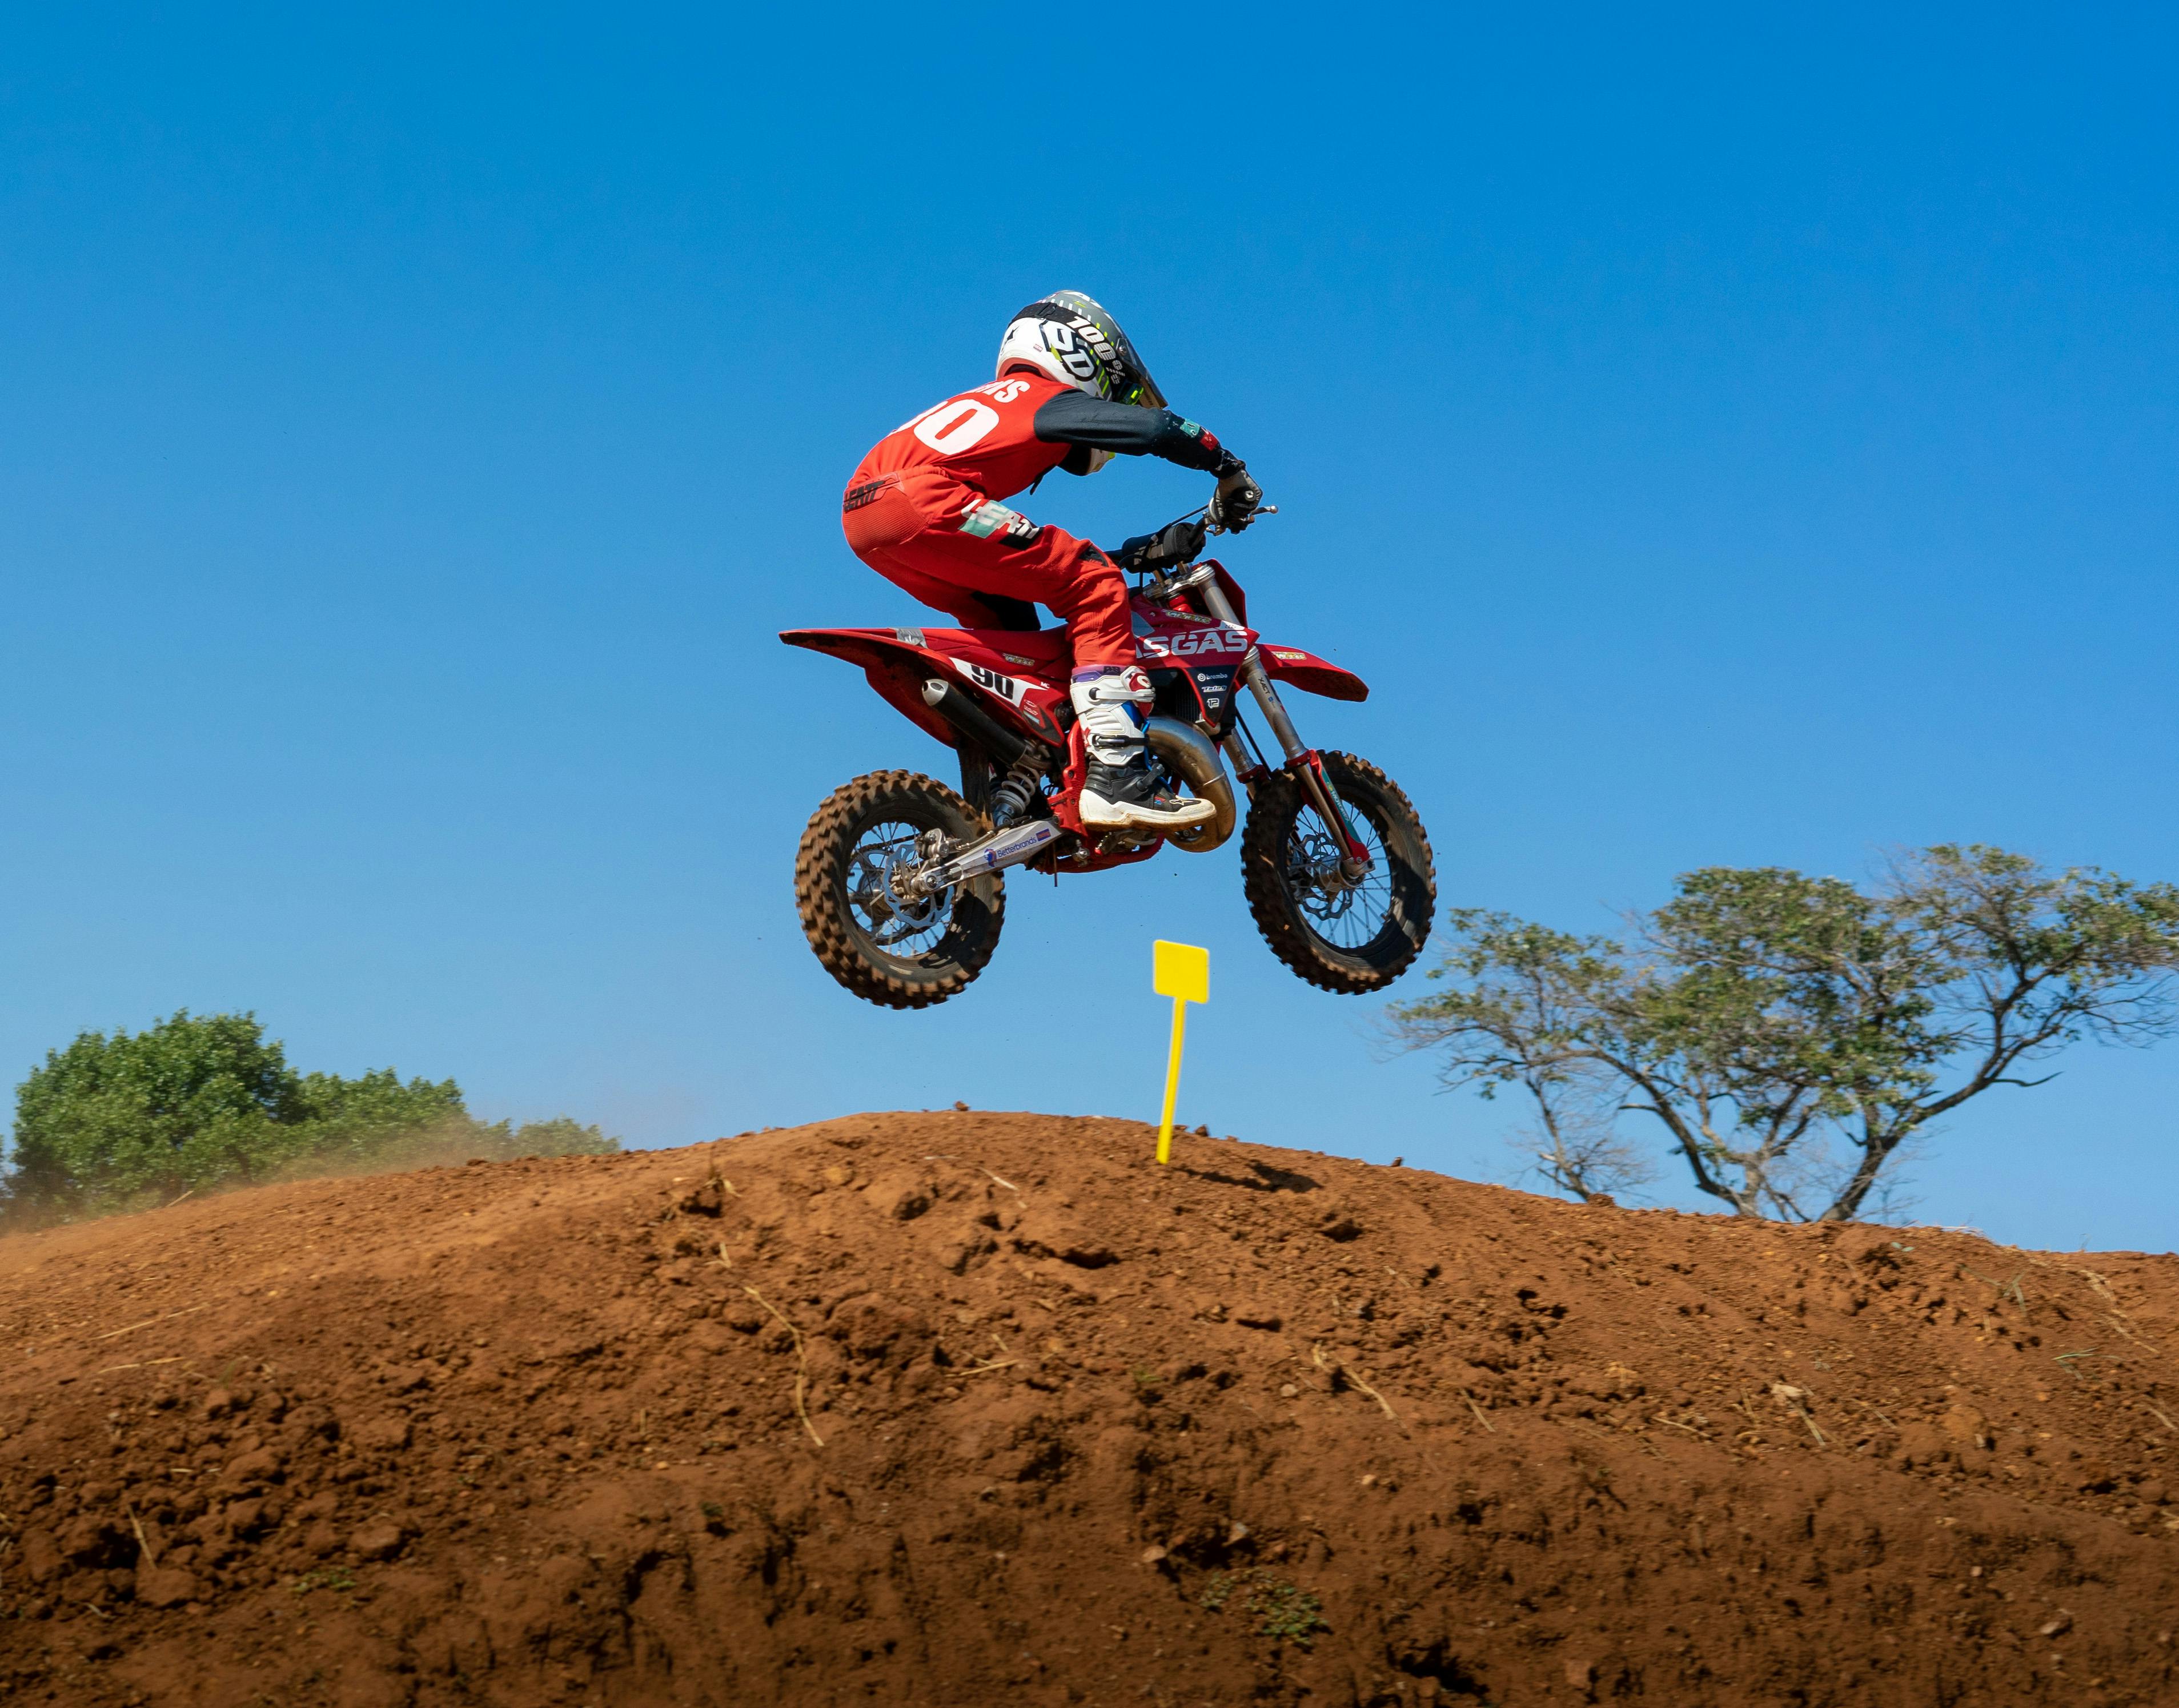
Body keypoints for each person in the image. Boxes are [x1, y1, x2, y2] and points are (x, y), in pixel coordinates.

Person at [841, 291, 1262, 831]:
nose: (1116, 400)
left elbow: (1033, 564)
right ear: (1083, 355)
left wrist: (1131, 553)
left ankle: (1006, 783)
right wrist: (1226, 467)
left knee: (1013, 623)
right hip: (925, 499)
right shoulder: (1042, 395)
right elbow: (1156, 429)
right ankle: (1117, 773)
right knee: (1095, 583)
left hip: (868, 513)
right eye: (1116, 387)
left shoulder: (994, 400)